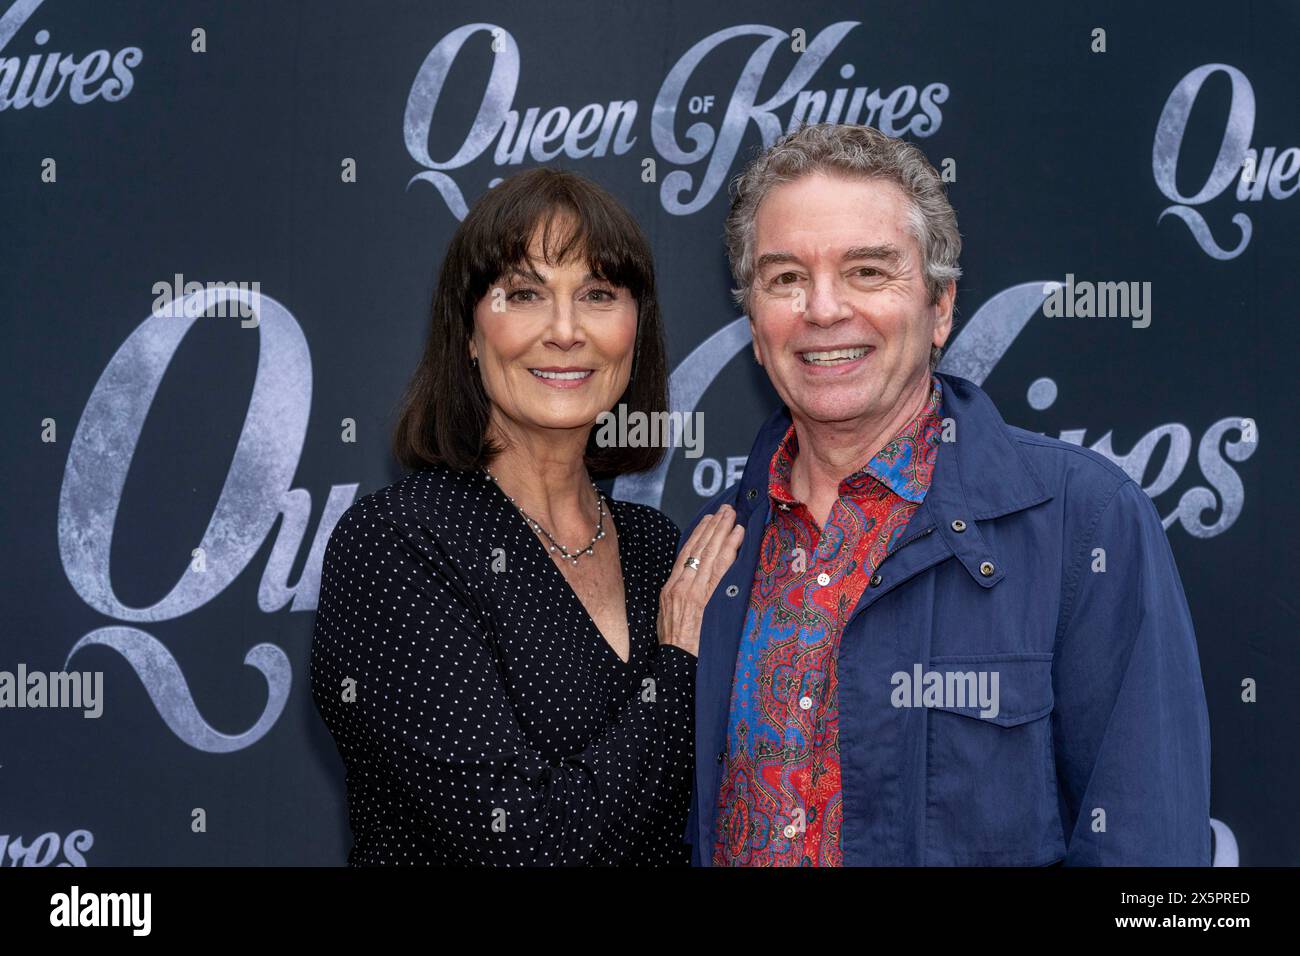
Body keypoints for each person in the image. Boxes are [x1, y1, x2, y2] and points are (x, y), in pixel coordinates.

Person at [681, 122, 1212, 866]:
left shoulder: (1084, 523)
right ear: (754, 318)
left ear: (940, 308)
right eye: (786, 277)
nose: (823, 309)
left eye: (868, 271)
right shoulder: (711, 552)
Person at [308, 167, 740, 865]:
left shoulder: (656, 548)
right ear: (471, 335)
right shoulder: (396, 545)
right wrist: (679, 662)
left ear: (636, 333)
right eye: (525, 294)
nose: (565, 331)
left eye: (599, 294)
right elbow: (530, 848)